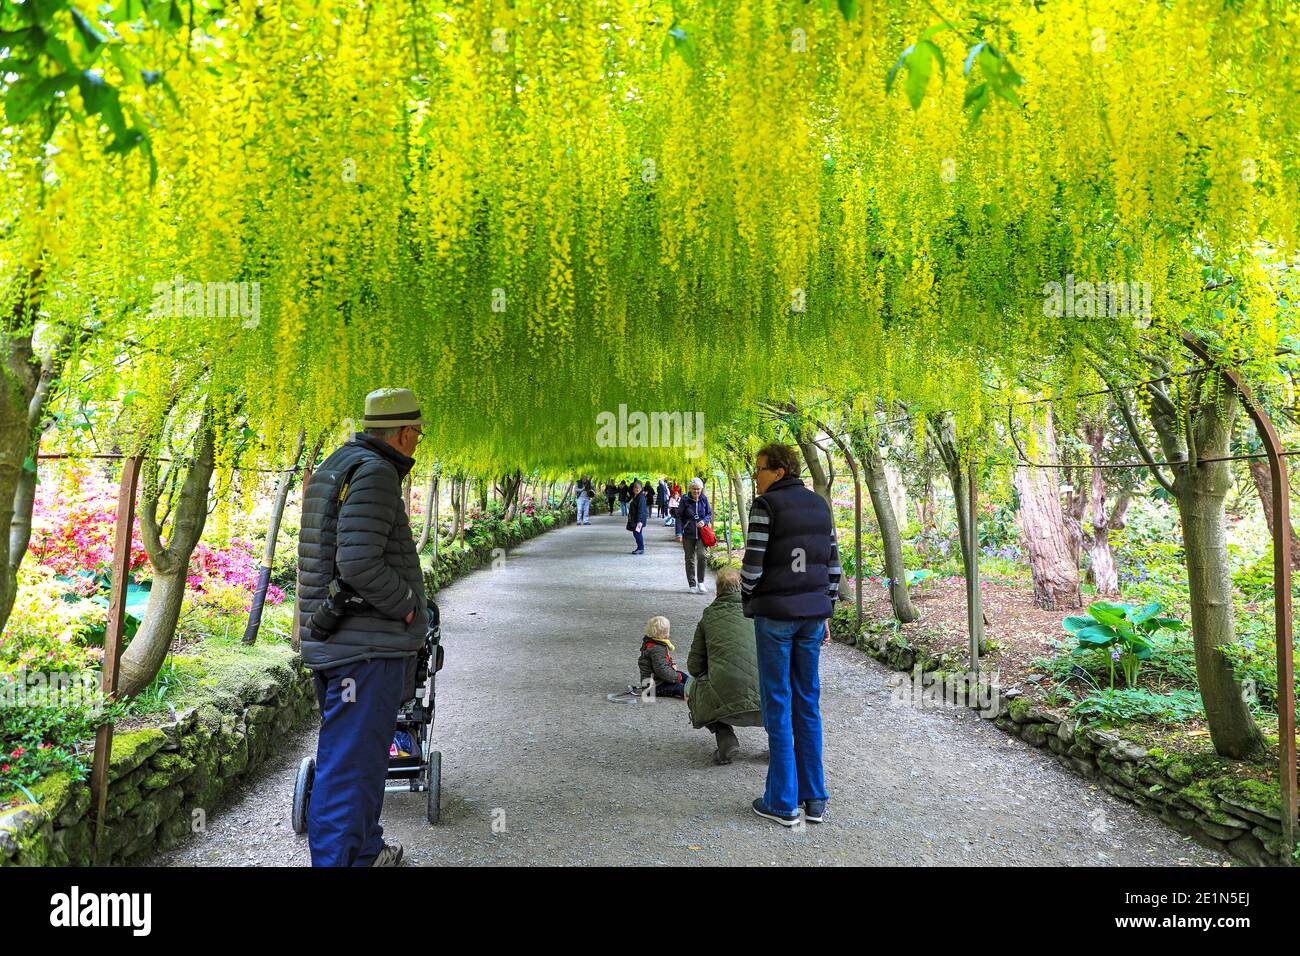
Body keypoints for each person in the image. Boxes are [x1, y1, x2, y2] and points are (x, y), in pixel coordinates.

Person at [297, 387, 429, 866]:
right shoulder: (374, 473)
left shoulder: (341, 463)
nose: (417, 441)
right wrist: (409, 606)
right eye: (416, 432)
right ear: (404, 432)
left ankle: (366, 851)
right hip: (364, 647)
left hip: (345, 639)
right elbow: (356, 564)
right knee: (349, 766)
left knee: (363, 759)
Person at [740, 442, 840, 828]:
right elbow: (833, 566)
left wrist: (750, 598)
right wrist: (824, 606)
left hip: (776, 617)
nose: (756, 477)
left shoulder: (765, 507)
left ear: (779, 471)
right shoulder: (820, 505)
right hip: (813, 617)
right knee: (807, 702)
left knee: (778, 703)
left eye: (760, 470)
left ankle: (781, 801)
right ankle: (814, 798)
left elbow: (752, 565)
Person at [686, 567, 762, 765]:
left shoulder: (709, 617)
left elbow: (694, 667)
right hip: (771, 704)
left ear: (717, 591)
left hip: (726, 707)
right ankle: (781, 747)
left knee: (691, 683)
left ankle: (724, 734)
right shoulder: (762, 611)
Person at [674, 477, 713, 593]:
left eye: (699, 490)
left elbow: (709, 514)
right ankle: (692, 584)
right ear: (690, 489)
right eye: (694, 489)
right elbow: (679, 517)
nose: (697, 492)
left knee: (702, 556)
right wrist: (679, 532)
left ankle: (701, 582)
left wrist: (704, 521)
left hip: (702, 534)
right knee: (689, 559)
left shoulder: (704, 499)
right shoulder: (685, 501)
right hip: (688, 534)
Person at [639, 615, 687, 698]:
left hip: (659, 679)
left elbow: (664, 661)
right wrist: (676, 677)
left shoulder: (657, 644)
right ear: (662, 634)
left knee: (682, 675)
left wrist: (671, 665)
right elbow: (662, 670)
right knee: (679, 687)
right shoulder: (656, 649)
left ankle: (697, 686)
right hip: (654, 686)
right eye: (667, 631)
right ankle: (695, 695)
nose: (669, 633)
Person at [626, 478, 648, 554]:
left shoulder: (641, 497)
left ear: (641, 488)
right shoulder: (636, 496)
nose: (636, 489)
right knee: (636, 533)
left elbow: (641, 510)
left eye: (637, 488)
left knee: (637, 533)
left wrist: (639, 521)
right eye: (635, 487)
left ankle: (641, 548)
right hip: (635, 518)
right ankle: (639, 547)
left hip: (639, 519)